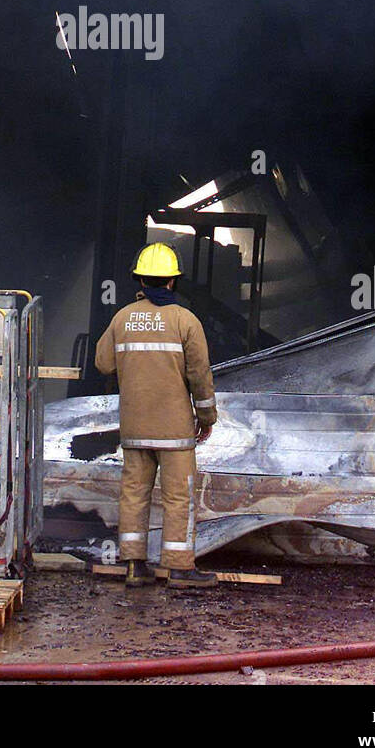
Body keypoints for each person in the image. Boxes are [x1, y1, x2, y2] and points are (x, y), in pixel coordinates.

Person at [95, 241, 219, 588]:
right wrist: (206, 418)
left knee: (134, 492)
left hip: (135, 427)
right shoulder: (185, 321)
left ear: (140, 282)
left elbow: (103, 363)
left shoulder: (121, 318)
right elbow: (200, 375)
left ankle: (134, 565)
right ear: (172, 282)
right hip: (175, 430)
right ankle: (179, 568)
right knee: (178, 496)